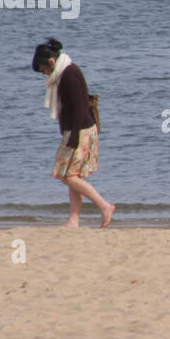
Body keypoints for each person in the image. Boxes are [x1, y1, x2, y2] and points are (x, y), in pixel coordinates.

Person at [32, 38, 114, 228]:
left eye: (43, 70)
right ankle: (73, 219)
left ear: (51, 62)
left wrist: (74, 137)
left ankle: (104, 206)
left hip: (80, 130)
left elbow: (79, 107)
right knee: (73, 176)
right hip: (77, 129)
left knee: (67, 175)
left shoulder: (69, 74)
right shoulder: (63, 72)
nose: (44, 74)